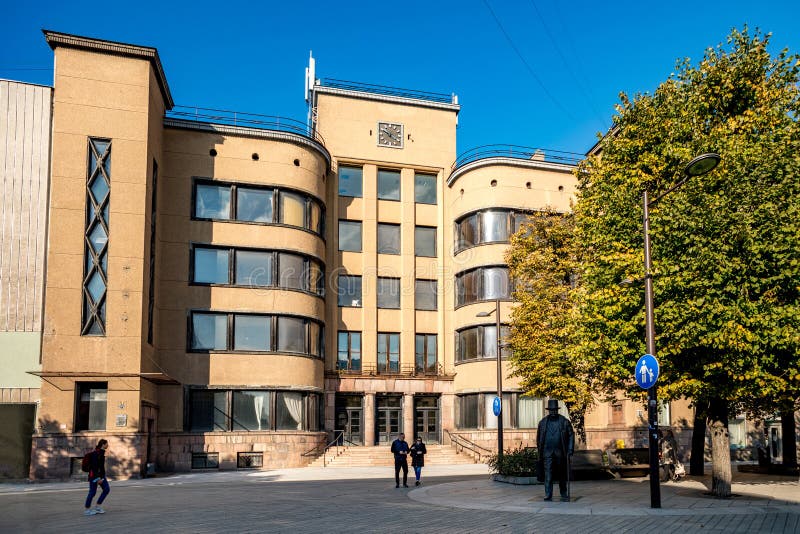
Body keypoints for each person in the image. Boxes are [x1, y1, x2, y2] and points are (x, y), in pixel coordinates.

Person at [536, 399, 575, 502]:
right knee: (548, 475)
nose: (553, 412)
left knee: (562, 474)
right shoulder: (543, 422)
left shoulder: (564, 421)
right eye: (551, 410)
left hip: (560, 452)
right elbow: (539, 438)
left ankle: (563, 493)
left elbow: (571, 435)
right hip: (547, 453)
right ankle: (548, 494)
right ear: (549, 410)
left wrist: (570, 449)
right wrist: (540, 450)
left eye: (554, 410)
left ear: (557, 410)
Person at [84, 439, 110, 515]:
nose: (108, 445)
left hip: (101, 476)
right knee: (92, 493)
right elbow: (94, 467)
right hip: (94, 476)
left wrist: (102, 477)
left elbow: (101, 467)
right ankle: (87, 510)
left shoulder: (101, 453)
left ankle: (97, 506)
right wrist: (97, 478)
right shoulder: (96, 453)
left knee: (106, 489)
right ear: (103, 444)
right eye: (107, 444)